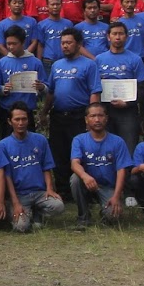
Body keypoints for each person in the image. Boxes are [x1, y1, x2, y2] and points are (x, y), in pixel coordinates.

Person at [41, 28, 102, 192]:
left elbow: (94, 92)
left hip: (79, 116)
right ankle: (63, 190)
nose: (65, 46)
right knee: (58, 153)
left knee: (78, 153)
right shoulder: (56, 65)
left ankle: (83, 188)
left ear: (79, 44)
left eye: (69, 43)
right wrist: (44, 112)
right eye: (62, 43)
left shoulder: (89, 65)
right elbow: (51, 92)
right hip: (59, 116)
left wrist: (91, 117)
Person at [0, 105, 64, 233]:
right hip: (20, 194)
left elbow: (46, 167)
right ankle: (27, 213)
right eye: (17, 120)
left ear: (28, 120)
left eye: (24, 119)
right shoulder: (3, 145)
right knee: (21, 227)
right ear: (10, 122)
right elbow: (7, 176)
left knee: (58, 206)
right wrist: (15, 202)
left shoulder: (40, 140)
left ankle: (38, 212)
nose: (21, 123)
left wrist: (49, 189)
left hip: (39, 192)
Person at [70, 102, 131, 228]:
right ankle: (83, 217)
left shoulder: (118, 142)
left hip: (108, 187)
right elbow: (74, 164)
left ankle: (105, 212)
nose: (97, 119)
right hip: (88, 183)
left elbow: (121, 170)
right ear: (86, 119)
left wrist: (116, 196)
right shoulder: (79, 140)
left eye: (100, 115)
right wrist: (85, 176)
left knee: (114, 216)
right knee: (75, 179)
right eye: (92, 116)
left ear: (106, 118)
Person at [95, 21, 143, 149]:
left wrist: (128, 103)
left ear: (126, 37)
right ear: (108, 37)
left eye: (121, 34)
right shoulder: (99, 59)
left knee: (129, 146)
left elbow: (143, 88)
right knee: (107, 147)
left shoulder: (135, 59)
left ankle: (128, 170)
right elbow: (94, 86)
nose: (117, 37)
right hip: (106, 109)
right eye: (114, 34)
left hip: (128, 111)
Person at [0, 26, 45, 118]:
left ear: (23, 42)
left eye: (14, 44)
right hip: (7, 110)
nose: (11, 47)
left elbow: (46, 88)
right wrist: (4, 89)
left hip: (27, 111)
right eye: (8, 44)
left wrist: (41, 87)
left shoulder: (35, 62)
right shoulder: (2, 63)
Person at [33, 0, 73, 66]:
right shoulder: (41, 25)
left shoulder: (68, 24)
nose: (55, 7)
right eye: (52, 4)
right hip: (48, 62)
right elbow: (40, 45)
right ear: (47, 6)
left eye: (57, 4)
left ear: (61, 5)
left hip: (66, 61)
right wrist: (39, 62)